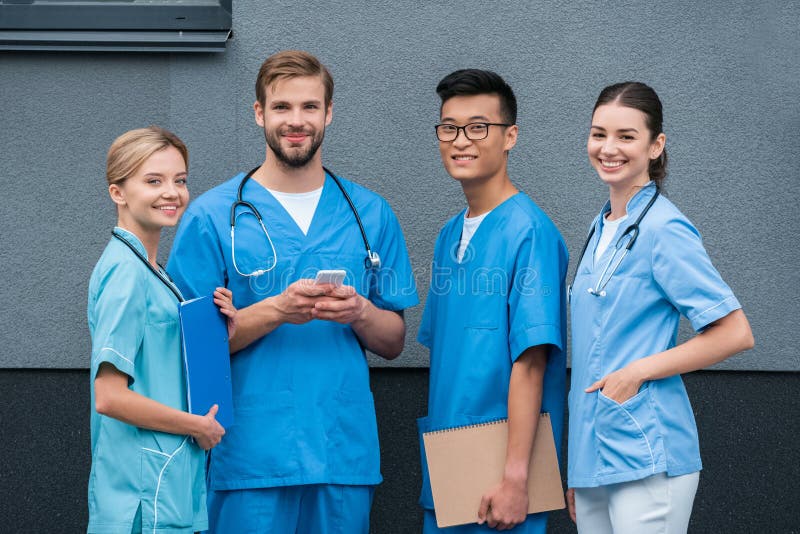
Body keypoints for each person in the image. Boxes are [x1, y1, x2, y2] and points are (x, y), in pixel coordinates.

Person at [166, 50, 418, 534]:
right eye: (281, 107)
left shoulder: (370, 213)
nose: (296, 121)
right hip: (249, 458)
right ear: (259, 113)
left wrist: (361, 311)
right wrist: (276, 310)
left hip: (340, 453)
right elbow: (190, 352)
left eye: (309, 106)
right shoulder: (213, 216)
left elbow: (393, 342)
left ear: (329, 113)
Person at [565, 82, 755, 533]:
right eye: (599, 134)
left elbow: (735, 332)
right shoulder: (601, 227)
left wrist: (637, 372)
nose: (608, 148)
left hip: (647, 451)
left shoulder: (665, 229)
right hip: (595, 455)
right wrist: (579, 465)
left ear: (656, 146)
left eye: (626, 137)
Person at [416, 69, 568, 533]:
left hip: (501, 478)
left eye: (478, 127)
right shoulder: (448, 236)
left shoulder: (530, 233)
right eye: (449, 127)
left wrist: (516, 479)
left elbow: (531, 362)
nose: (460, 140)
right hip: (449, 465)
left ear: (510, 137)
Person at [87, 126, 236, 533]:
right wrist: (197, 426)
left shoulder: (151, 271)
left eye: (180, 180)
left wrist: (218, 329)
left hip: (164, 485)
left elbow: (163, 360)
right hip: (141, 495)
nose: (172, 192)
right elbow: (110, 396)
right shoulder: (125, 273)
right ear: (118, 192)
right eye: (153, 181)